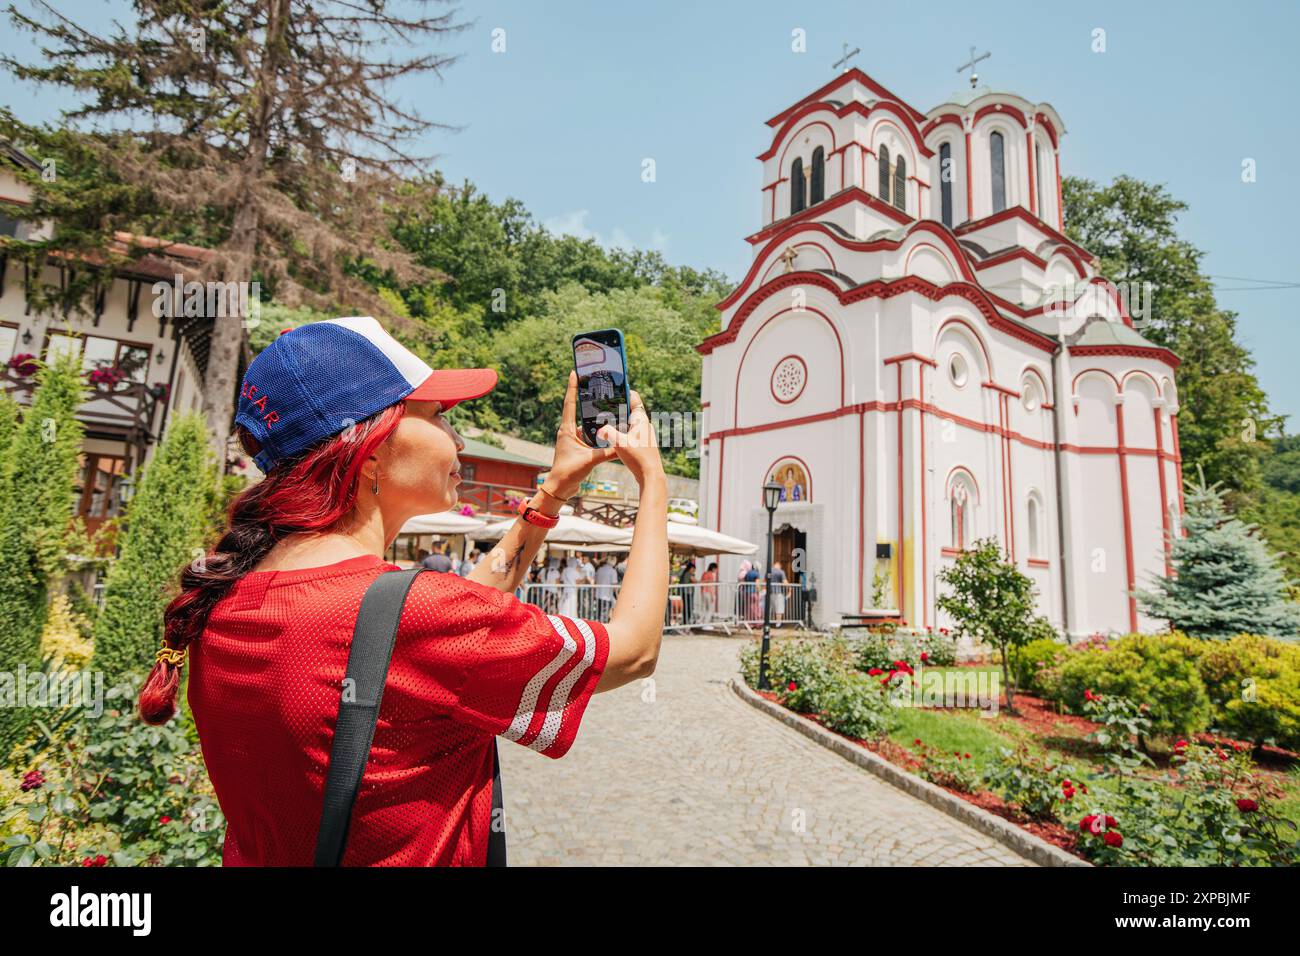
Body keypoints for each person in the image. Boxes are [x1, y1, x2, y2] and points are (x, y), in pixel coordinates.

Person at [139, 316, 668, 866]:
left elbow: (422, 635)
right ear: (371, 450)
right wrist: (651, 481)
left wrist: (553, 491)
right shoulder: (415, 614)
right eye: (439, 415)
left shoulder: (227, 598)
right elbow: (634, 650)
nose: (458, 437)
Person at [594, 555, 619, 622]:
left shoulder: (600, 569)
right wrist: (617, 596)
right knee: (604, 615)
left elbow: (595, 581)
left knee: (599, 614)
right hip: (607, 595)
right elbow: (614, 585)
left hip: (598, 594)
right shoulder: (612, 571)